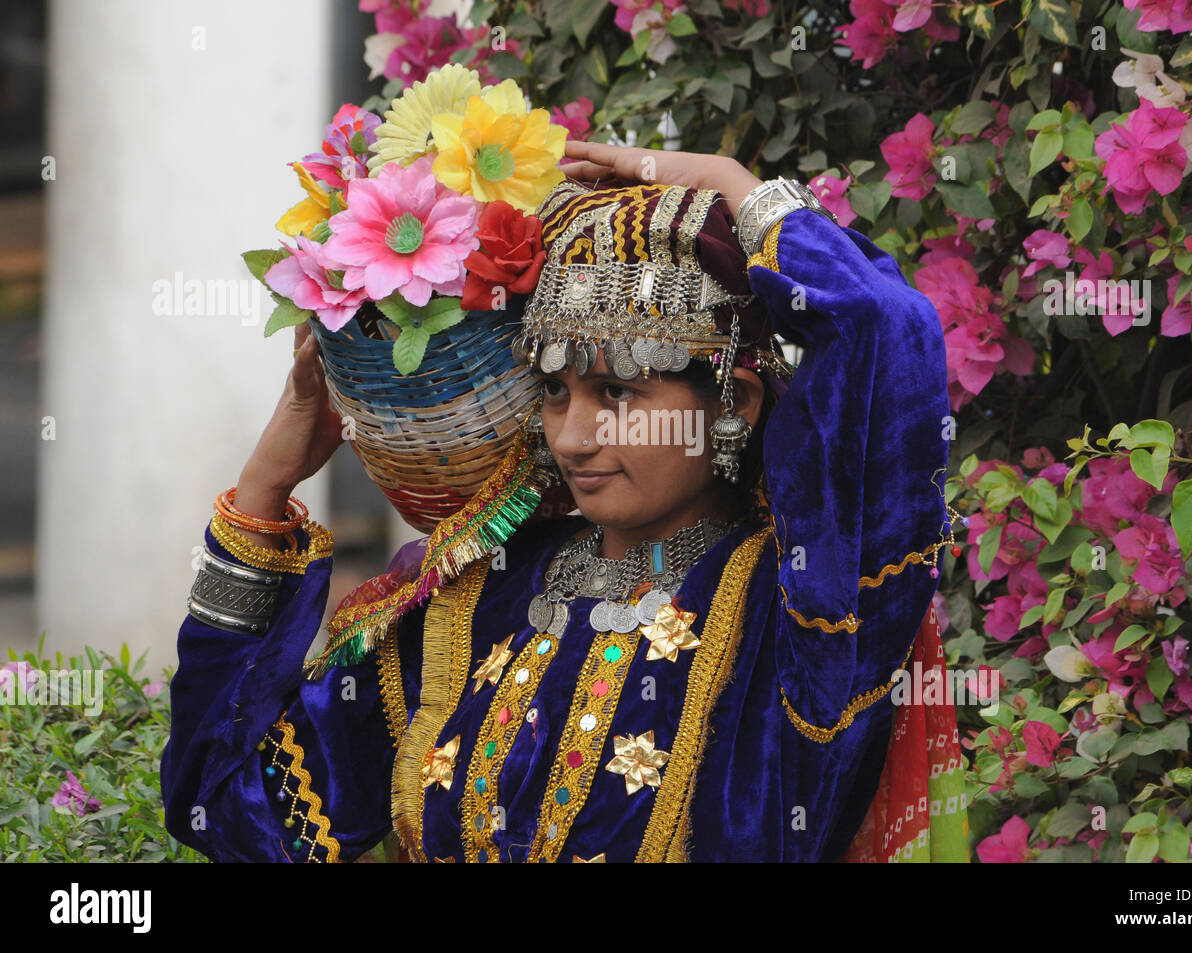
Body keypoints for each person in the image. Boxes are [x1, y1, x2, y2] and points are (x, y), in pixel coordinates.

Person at [161, 141, 965, 862]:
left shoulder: (802, 605)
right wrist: (267, 485)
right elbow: (223, 809)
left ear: (734, 404)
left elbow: (884, 327)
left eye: (617, 390)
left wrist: (725, 183)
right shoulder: (470, 599)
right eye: (553, 390)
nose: (574, 436)